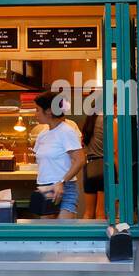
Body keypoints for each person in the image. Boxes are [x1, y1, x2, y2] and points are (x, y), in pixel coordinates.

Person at [31, 89, 85, 220]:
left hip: (64, 188)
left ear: (49, 111)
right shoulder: (42, 134)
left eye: (37, 110)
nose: (35, 114)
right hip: (45, 189)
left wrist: (61, 182)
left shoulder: (66, 131)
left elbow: (80, 160)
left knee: (64, 230)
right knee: (48, 231)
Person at [77, 109, 107, 220]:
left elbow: (83, 146)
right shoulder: (106, 121)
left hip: (89, 167)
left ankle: (85, 232)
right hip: (103, 166)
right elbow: (114, 150)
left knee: (88, 212)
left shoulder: (89, 121)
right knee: (101, 212)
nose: (116, 108)